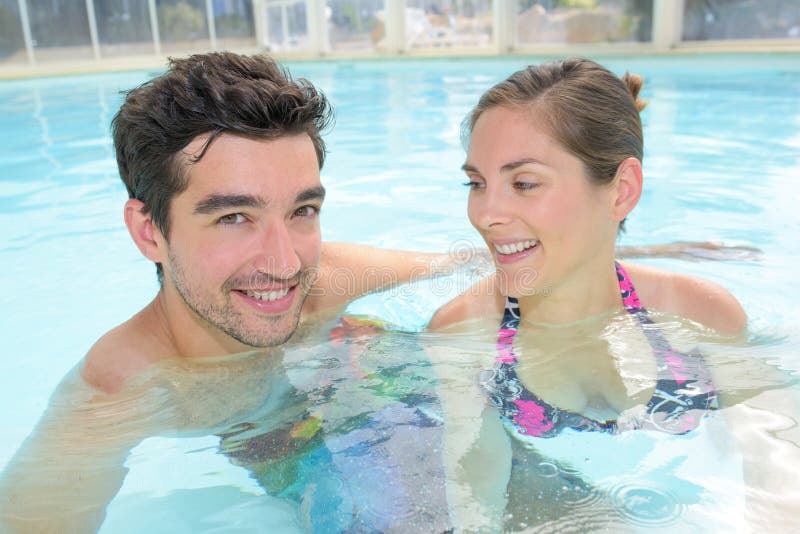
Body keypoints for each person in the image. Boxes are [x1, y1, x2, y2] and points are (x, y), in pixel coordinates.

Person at [0, 51, 762, 532]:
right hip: (323, 454)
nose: (283, 262)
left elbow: (465, 259)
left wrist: (634, 247)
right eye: (233, 217)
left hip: (415, 397)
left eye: (303, 210)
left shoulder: (325, 277)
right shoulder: (120, 394)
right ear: (149, 230)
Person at [425, 57, 799, 531]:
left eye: (523, 183)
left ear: (622, 190)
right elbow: (475, 500)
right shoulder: (463, 334)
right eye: (476, 183)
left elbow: (778, 467)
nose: (485, 214)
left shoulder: (701, 315)